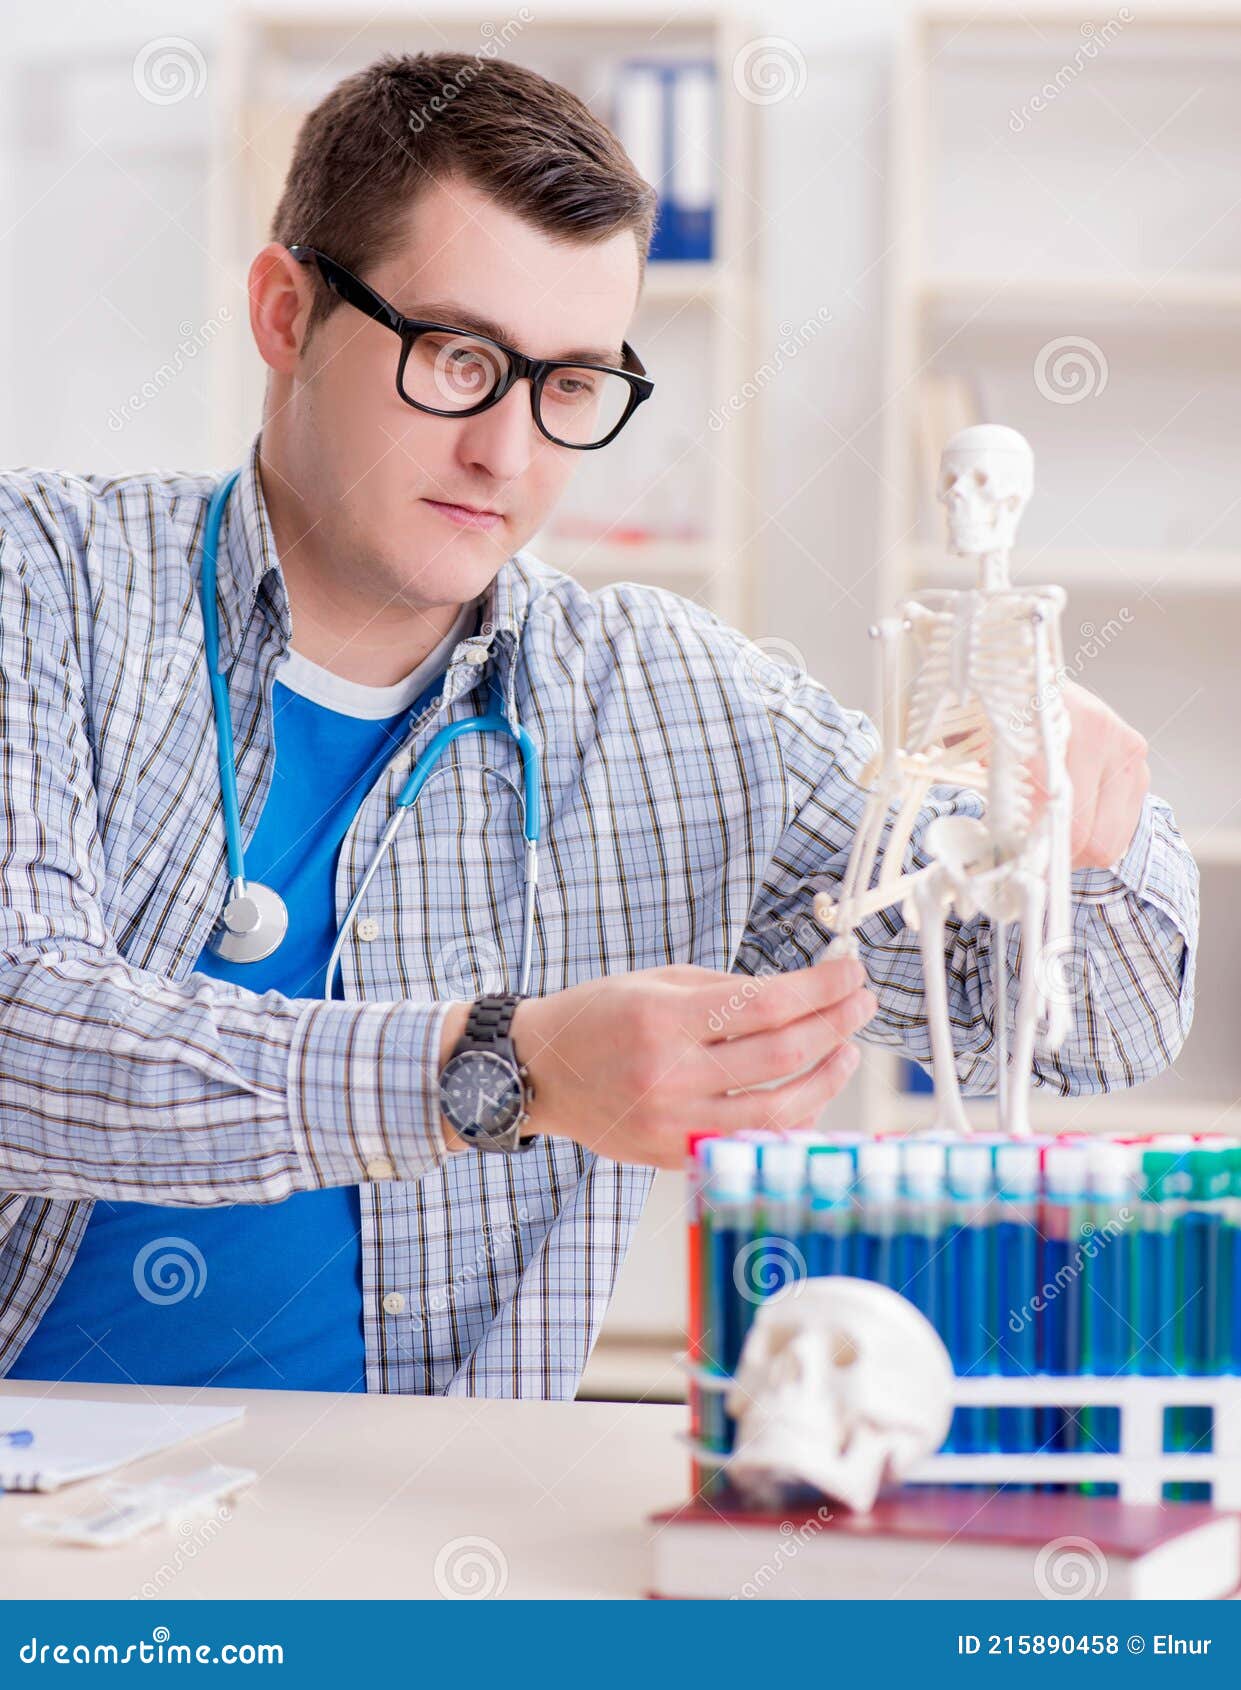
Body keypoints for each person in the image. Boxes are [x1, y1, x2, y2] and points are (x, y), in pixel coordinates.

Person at [0, 54, 1196, 1399]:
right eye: (457, 359)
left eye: (569, 384)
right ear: (285, 311)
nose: (507, 455)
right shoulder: (44, 580)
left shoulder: (674, 703)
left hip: (418, 1531)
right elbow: (24, 1031)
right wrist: (501, 1067)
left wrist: (1082, 832)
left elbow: (1088, 1029)